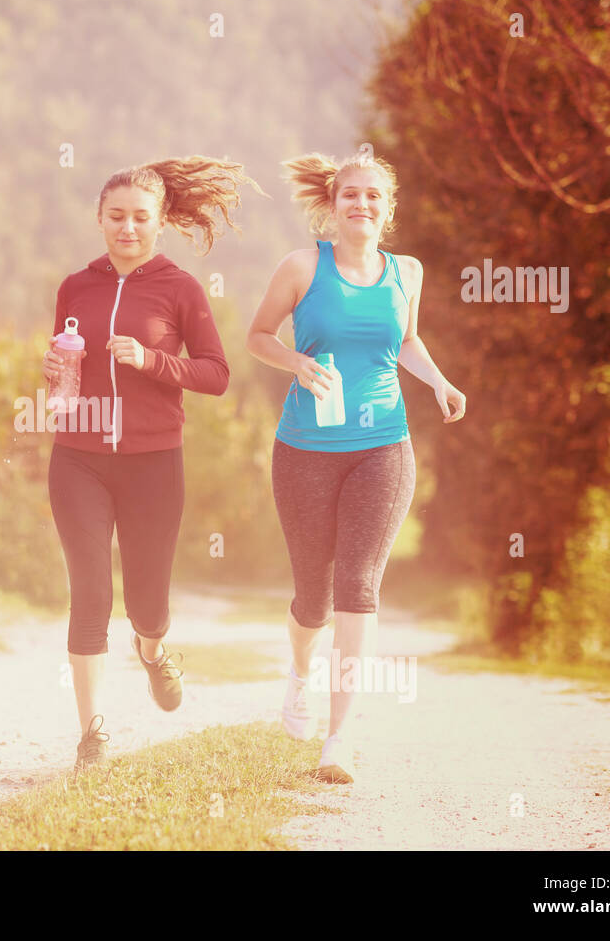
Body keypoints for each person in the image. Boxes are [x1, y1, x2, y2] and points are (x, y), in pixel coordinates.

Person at [246, 150, 465, 783]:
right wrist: (296, 363)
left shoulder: (407, 273)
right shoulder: (301, 267)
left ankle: (338, 739)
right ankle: (298, 673)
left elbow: (404, 341)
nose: (361, 205)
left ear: (387, 208)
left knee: (360, 584)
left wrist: (440, 384)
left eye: (373, 196)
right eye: (350, 196)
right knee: (312, 597)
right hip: (306, 449)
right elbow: (258, 336)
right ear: (333, 206)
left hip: (383, 448)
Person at [44, 157, 262, 771]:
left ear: (160, 222)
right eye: (116, 217)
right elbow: (64, 362)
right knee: (89, 592)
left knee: (146, 603)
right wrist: (57, 369)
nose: (127, 229)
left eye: (141, 218)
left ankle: (153, 649)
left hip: (153, 463)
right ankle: (93, 734)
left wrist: (149, 360)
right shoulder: (74, 286)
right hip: (79, 457)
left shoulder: (180, 289)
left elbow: (216, 375)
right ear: (99, 219)